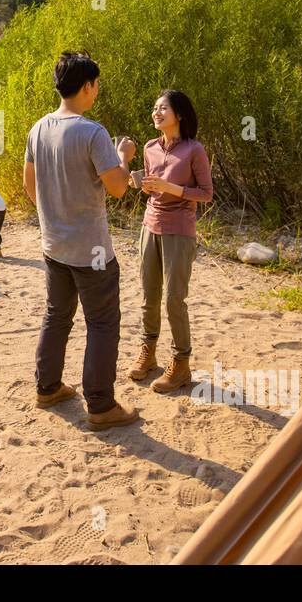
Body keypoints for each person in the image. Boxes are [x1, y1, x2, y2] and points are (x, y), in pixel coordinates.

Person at [24, 51, 140, 431]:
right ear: (87, 86)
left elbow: (30, 187)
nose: (96, 93)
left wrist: (56, 214)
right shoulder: (93, 132)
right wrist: (123, 156)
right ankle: (102, 406)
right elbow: (119, 188)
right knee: (102, 323)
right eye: (96, 86)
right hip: (91, 250)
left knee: (57, 316)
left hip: (53, 246)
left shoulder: (38, 129)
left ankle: (48, 387)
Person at [128, 89, 214, 392]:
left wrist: (172, 188)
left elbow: (206, 193)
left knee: (173, 299)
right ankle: (148, 353)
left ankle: (181, 364)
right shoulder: (151, 147)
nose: (156, 112)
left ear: (179, 114)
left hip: (179, 229)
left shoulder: (194, 150)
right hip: (150, 227)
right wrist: (144, 184)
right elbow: (154, 189)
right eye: (154, 108)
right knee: (148, 297)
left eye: (163, 108)